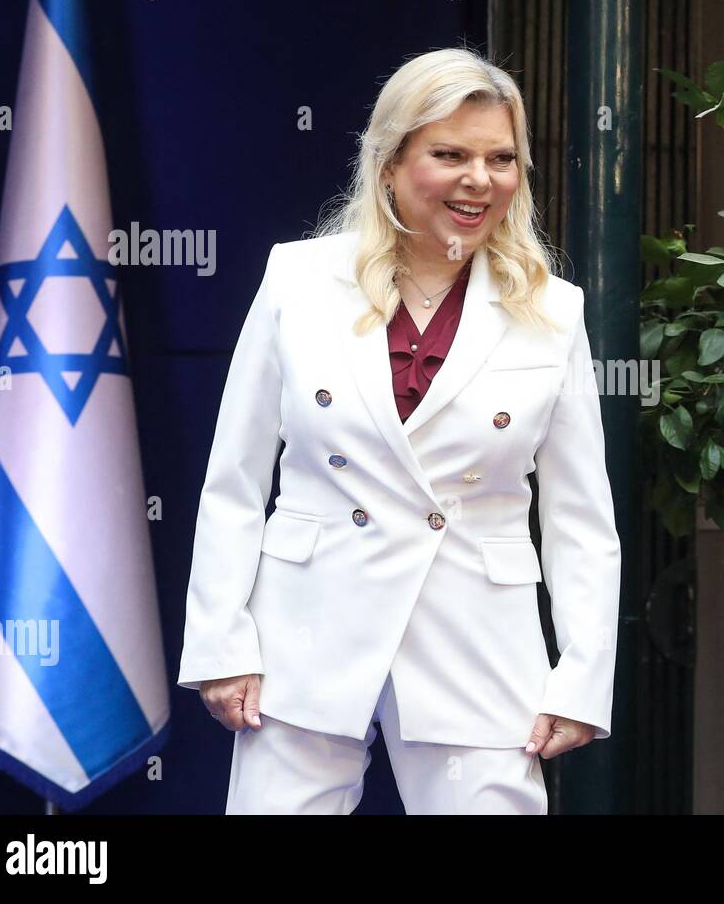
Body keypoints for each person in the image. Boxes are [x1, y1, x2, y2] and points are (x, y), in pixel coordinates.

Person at [176, 48, 621, 814]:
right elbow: (235, 480)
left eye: (501, 158)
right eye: (449, 155)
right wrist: (221, 644)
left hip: (478, 644)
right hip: (304, 635)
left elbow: (581, 519)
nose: (479, 180)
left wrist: (582, 675)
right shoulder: (297, 280)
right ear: (388, 164)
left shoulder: (555, 310)